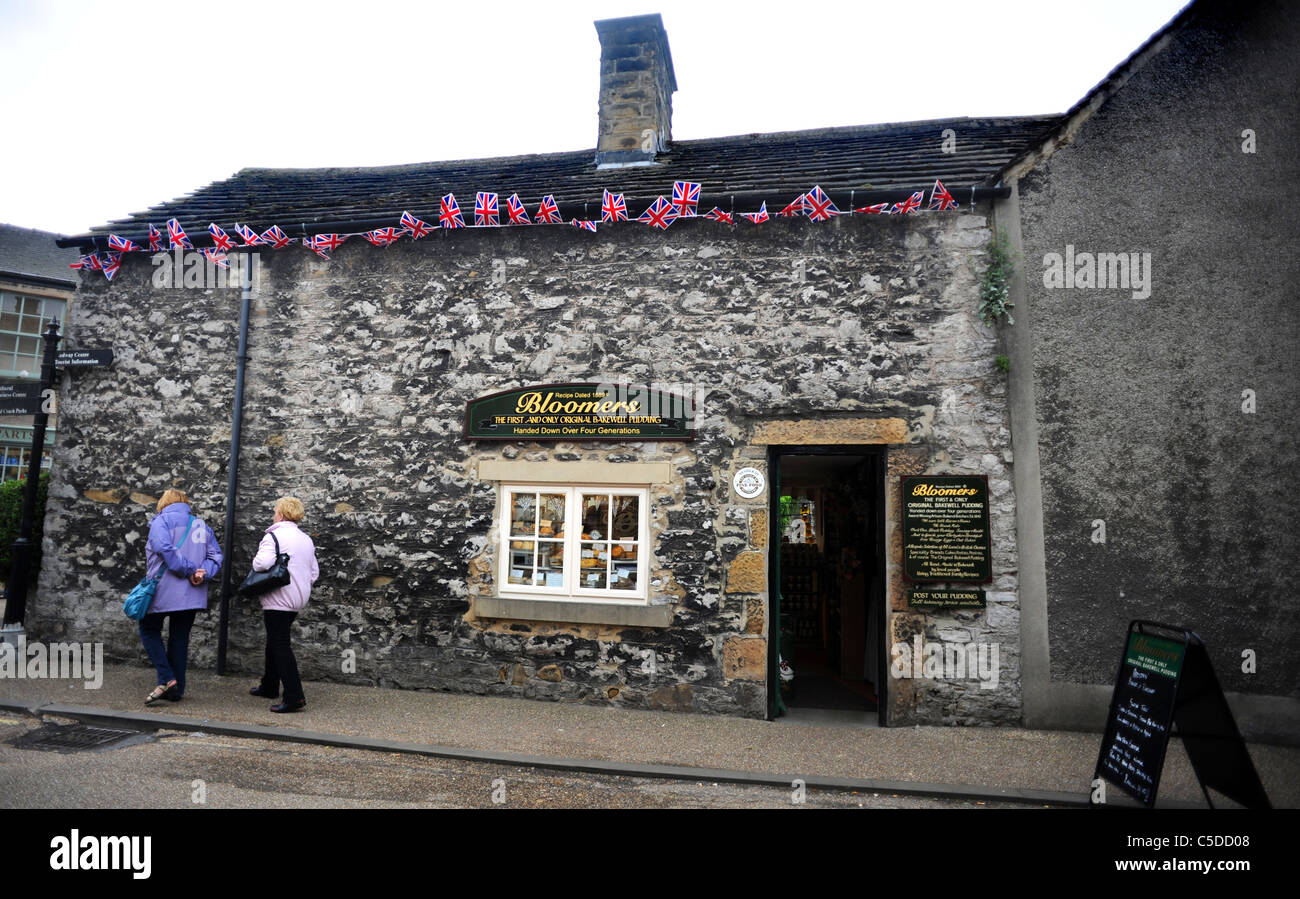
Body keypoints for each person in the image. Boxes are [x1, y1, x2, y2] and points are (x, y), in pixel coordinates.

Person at [141, 488, 222, 704]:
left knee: (148, 630)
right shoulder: (201, 525)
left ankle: (167, 678)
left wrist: (188, 569)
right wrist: (202, 572)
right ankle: (175, 692)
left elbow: (163, 548)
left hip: (162, 590)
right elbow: (215, 555)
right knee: (179, 639)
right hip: (191, 594)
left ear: (163, 503)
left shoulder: (161, 521)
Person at [248, 496, 319, 713]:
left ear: (280, 513)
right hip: (297, 598)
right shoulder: (306, 539)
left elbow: (262, 563)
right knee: (275, 640)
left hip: (278, 598)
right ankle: (269, 685)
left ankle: (294, 696)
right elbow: (314, 572)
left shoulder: (273, 536)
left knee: (280, 645)